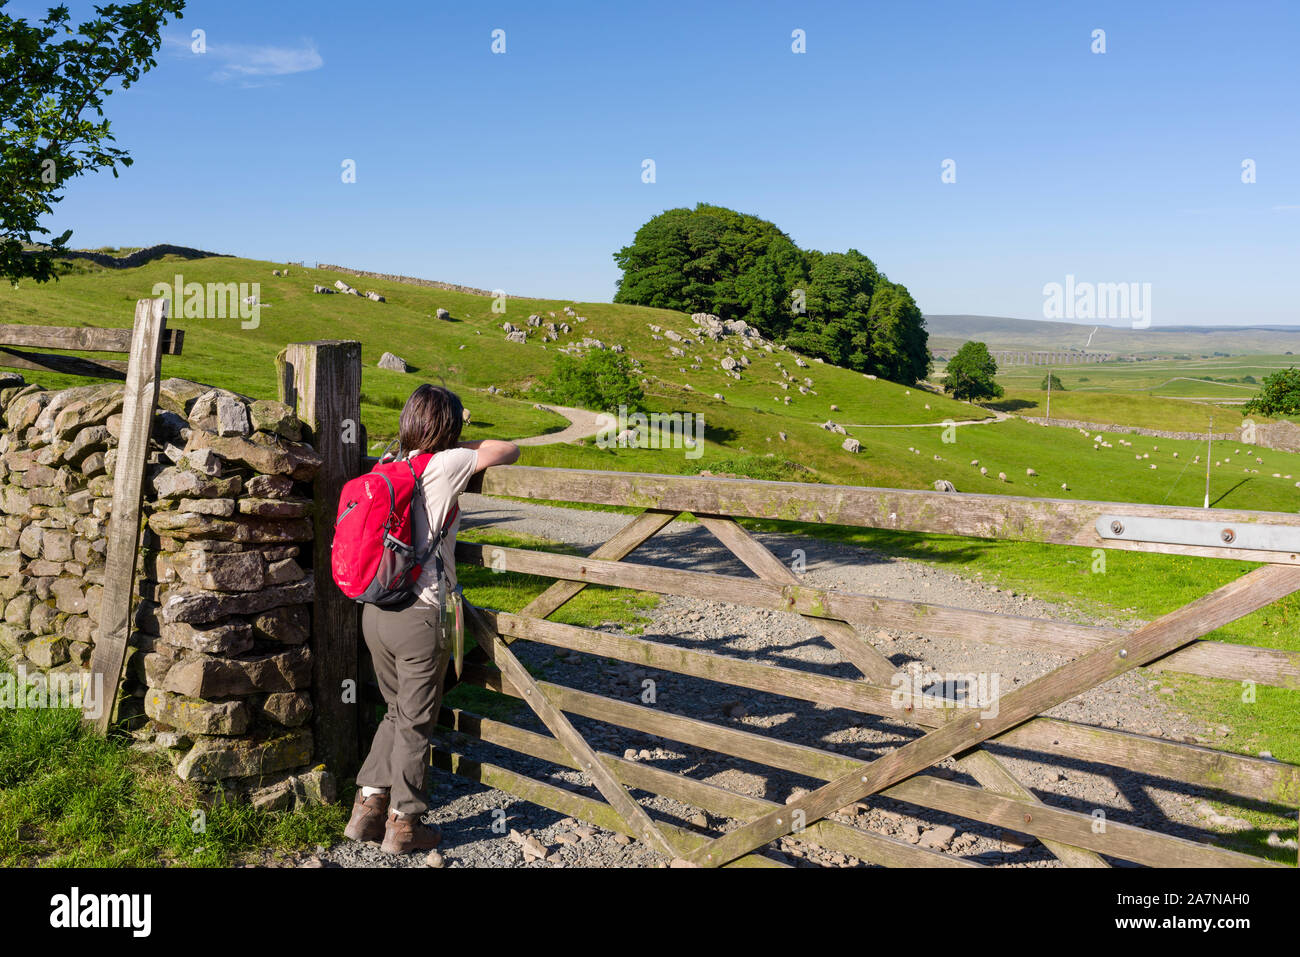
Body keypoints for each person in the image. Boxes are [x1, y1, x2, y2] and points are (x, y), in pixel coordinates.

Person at [343, 384, 519, 853]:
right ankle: (405, 824)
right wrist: (459, 436)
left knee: (397, 710)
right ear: (450, 425)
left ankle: (367, 807)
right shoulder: (446, 464)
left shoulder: (388, 465)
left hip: (376, 610)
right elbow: (509, 451)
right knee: (418, 719)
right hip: (421, 615)